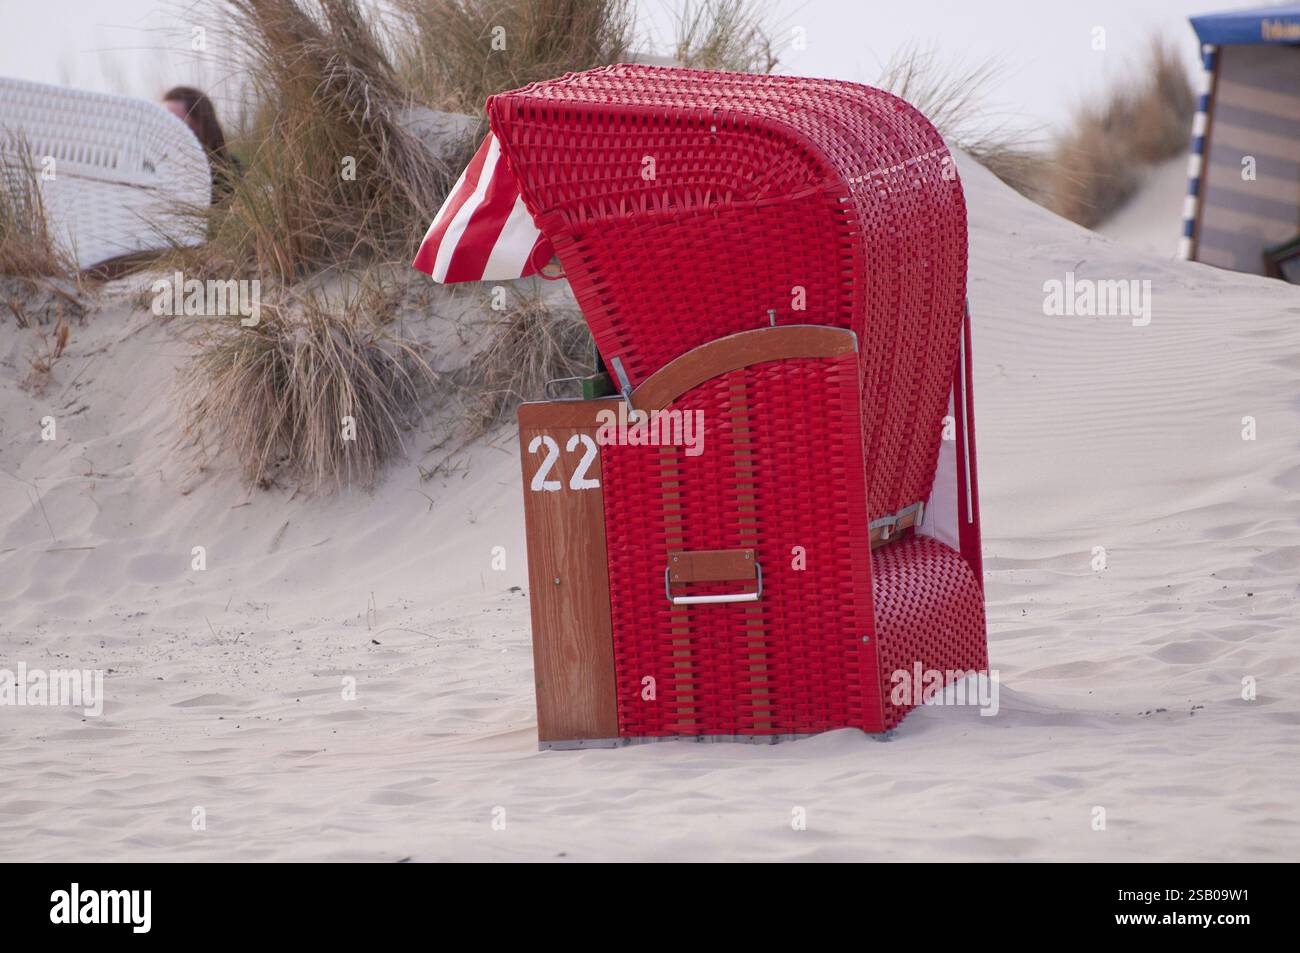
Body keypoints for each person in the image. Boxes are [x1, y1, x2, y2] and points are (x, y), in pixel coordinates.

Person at [161, 86, 240, 203]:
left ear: (202, 124)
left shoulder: (229, 171)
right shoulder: (155, 168)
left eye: (176, 122)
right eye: (163, 121)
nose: (168, 129)